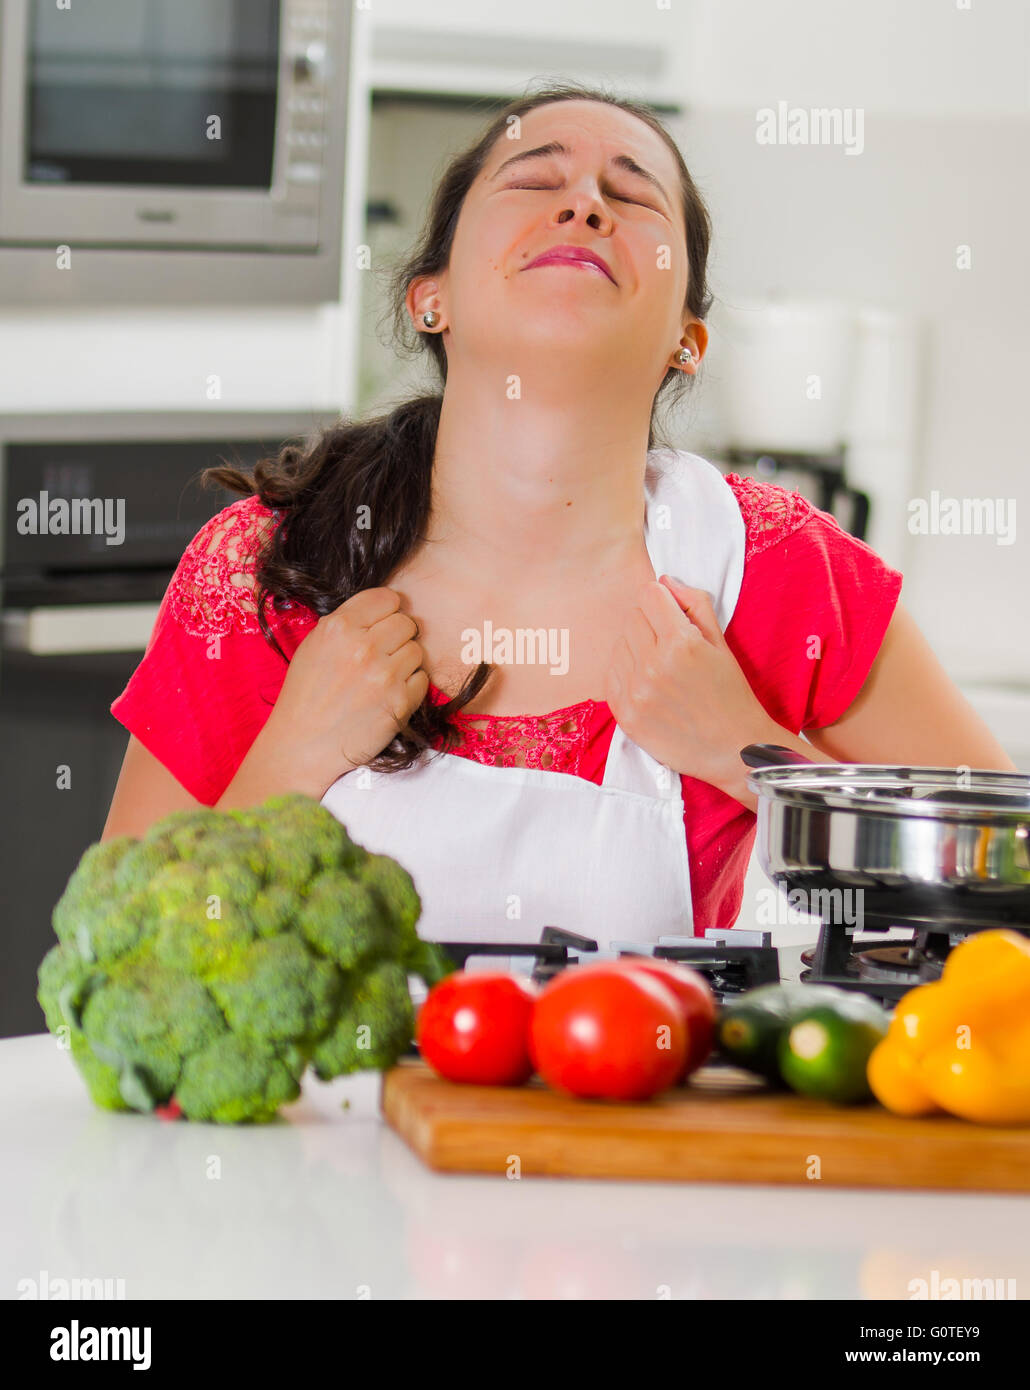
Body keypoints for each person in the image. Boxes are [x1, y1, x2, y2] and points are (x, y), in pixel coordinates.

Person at [102, 82, 1015, 944]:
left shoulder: (779, 571)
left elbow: (1007, 892)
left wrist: (755, 761)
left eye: (634, 197)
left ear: (685, 343)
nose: (583, 207)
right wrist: (291, 760)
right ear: (433, 297)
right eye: (535, 179)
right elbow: (120, 964)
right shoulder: (271, 566)